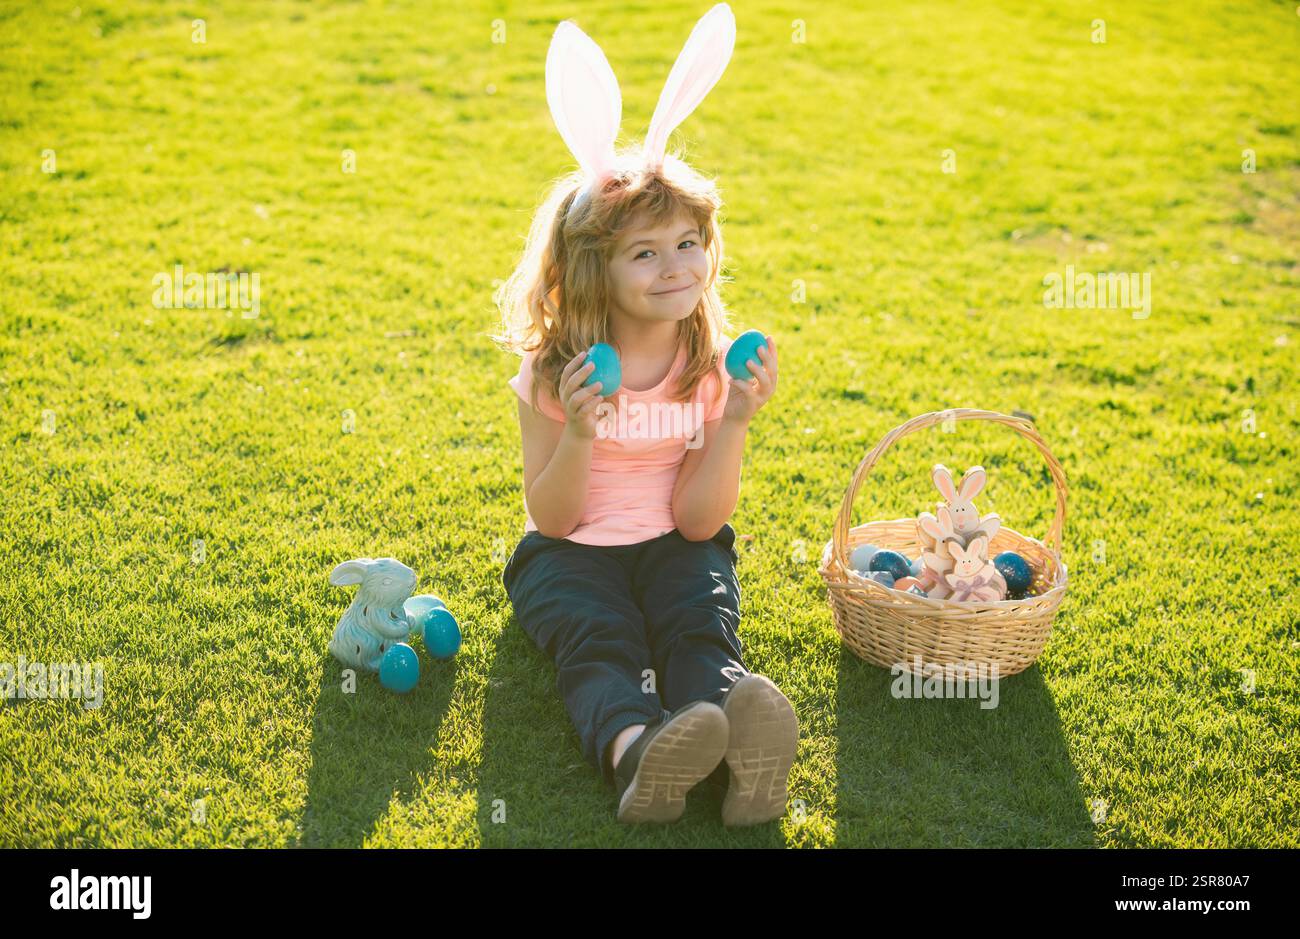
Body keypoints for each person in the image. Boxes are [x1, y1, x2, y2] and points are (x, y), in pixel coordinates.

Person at [489, 3, 797, 826]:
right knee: (599, 641)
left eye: (689, 241)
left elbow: (699, 527)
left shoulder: (705, 365)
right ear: (596, 269)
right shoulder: (556, 372)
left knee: (698, 621)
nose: (676, 266)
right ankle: (639, 753)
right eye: (646, 251)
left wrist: (732, 420)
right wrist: (583, 432)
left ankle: (742, 747)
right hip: (570, 557)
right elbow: (551, 517)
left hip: (673, 544)